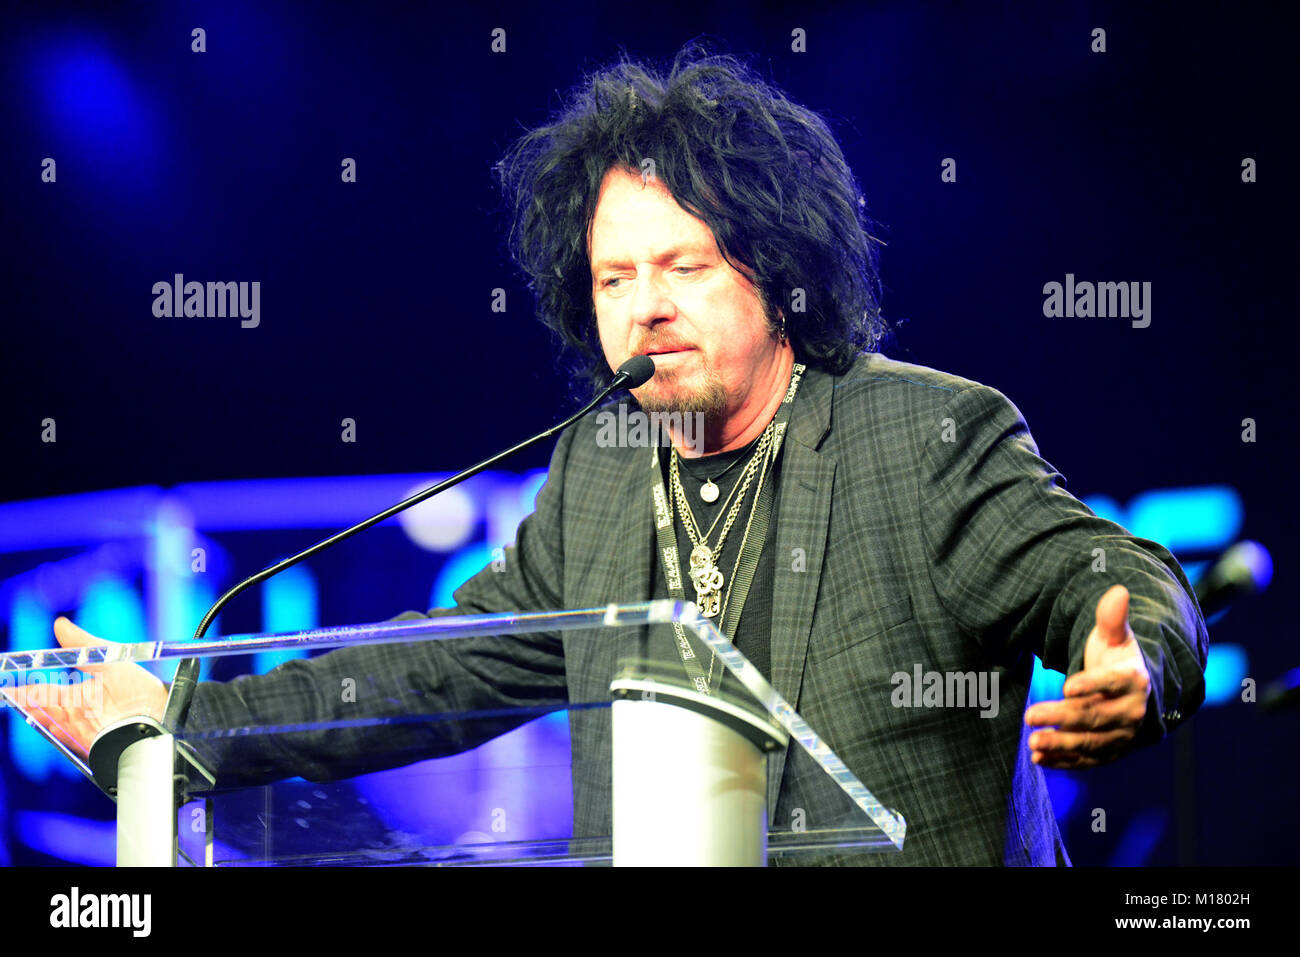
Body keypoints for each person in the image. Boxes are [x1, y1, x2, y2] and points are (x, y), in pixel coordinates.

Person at [14, 46, 1207, 865]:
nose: (645, 307)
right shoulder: (598, 470)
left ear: (782, 269)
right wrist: (181, 720)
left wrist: (1137, 659)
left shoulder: (925, 432)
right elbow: (440, 669)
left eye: (685, 266)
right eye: (612, 279)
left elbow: (1103, 569)